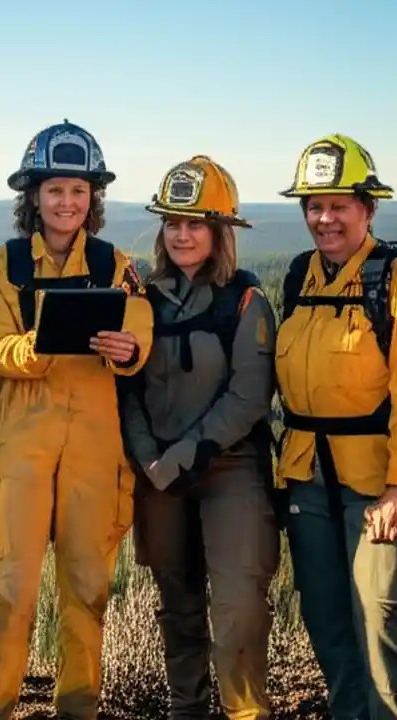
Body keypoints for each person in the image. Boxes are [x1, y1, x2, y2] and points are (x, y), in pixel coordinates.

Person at [0, 120, 154, 720]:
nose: (67, 202)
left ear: (93, 198)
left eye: (78, 191)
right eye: (54, 191)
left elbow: (139, 321)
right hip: (16, 445)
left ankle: (78, 711)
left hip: (94, 452)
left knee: (86, 596)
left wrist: (130, 349)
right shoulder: (4, 264)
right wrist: (47, 342)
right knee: (3, 597)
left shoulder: (115, 262)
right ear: (33, 198)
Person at [274, 134, 397, 720]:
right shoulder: (301, 278)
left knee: (382, 624)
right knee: (326, 622)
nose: (324, 219)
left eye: (339, 205)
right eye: (313, 206)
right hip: (307, 481)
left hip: (378, 485)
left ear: (368, 209)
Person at [120, 156, 280, 720]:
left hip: (229, 470)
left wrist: (183, 455)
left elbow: (250, 397)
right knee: (178, 605)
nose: (181, 234)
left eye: (195, 223)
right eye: (172, 223)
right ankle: (185, 709)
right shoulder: (141, 299)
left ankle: (245, 713)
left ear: (220, 232)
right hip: (159, 473)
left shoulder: (245, 301)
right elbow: (128, 389)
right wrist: (147, 457)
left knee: (237, 610)